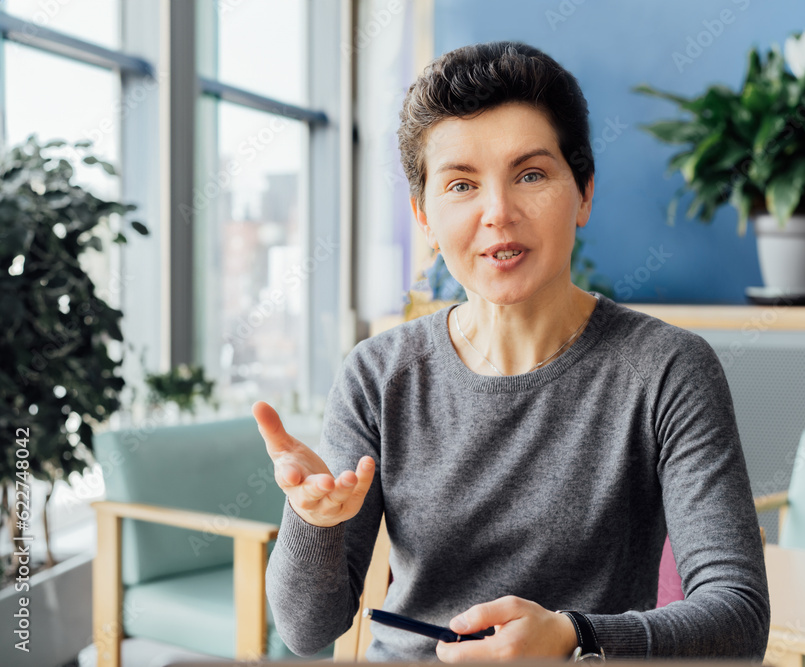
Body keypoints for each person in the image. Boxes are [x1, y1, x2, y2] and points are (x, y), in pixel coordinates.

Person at [254, 40, 769, 662]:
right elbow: (308, 632)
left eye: (530, 175)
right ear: (424, 217)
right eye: (462, 184)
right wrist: (316, 522)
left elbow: (738, 621)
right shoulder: (377, 373)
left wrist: (577, 638)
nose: (498, 213)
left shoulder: (666, 370)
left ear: (583, 193)